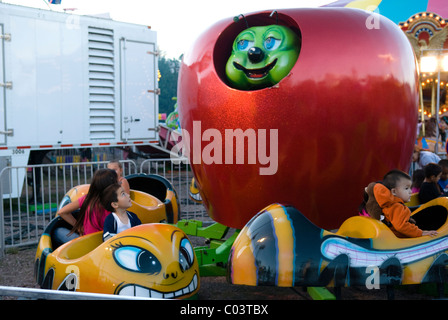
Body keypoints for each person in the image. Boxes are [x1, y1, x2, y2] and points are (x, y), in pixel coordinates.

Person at [365, 169, 438, 238]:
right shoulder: (397, 206)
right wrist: (421, 233)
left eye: (410, 188)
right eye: (406, 188)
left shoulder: (387, 204)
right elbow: (401, 226)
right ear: (394, 192)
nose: (410, 191)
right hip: (400, 239)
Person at [55, 168, 118, 243]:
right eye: (117, 182)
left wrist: (79, 227)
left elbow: (62, 212)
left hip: (86, 242)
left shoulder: (87, 198)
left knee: (57, 231)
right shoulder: (115, 203)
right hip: (103, 243)